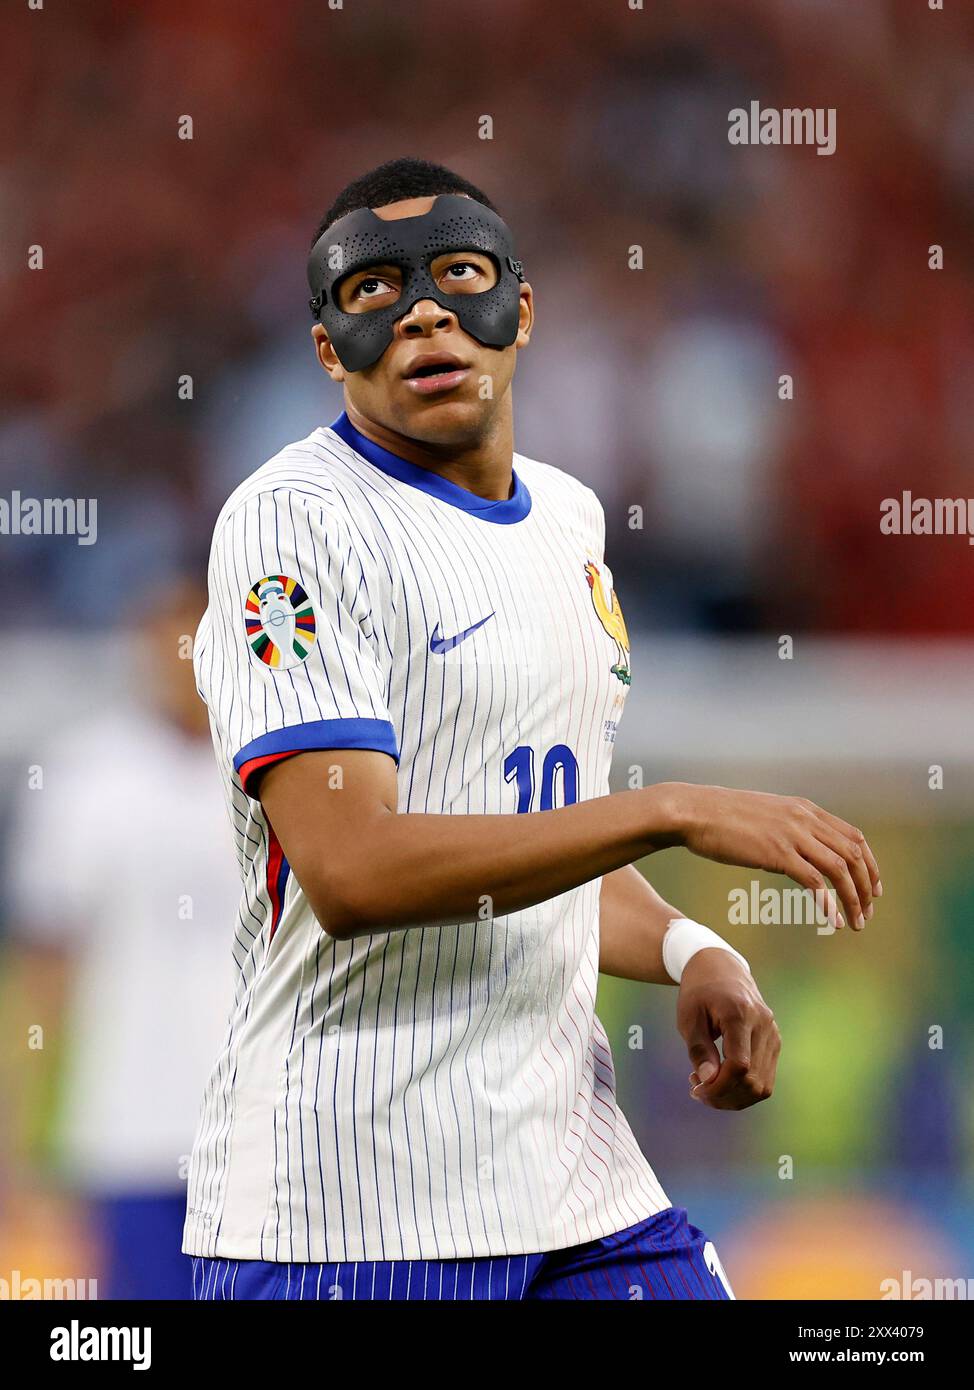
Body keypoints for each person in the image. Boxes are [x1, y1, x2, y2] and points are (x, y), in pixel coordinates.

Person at [184, 157, 881, 1301]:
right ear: (326, 350)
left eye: (458, 275)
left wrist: (687, 949)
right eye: (372, 295)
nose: (422, 313)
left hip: (578, 1178)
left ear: (521, 308)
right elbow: (355, 868)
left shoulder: (568, 520)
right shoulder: (289, 522)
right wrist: (668, 809)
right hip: (351, 1209)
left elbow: (537, 833)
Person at [3, 577, 237, 1299]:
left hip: (262, 1135)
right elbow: (48, 967)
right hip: (126, 1127)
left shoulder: (280, 775)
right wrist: (16, 1136)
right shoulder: (87, 777)